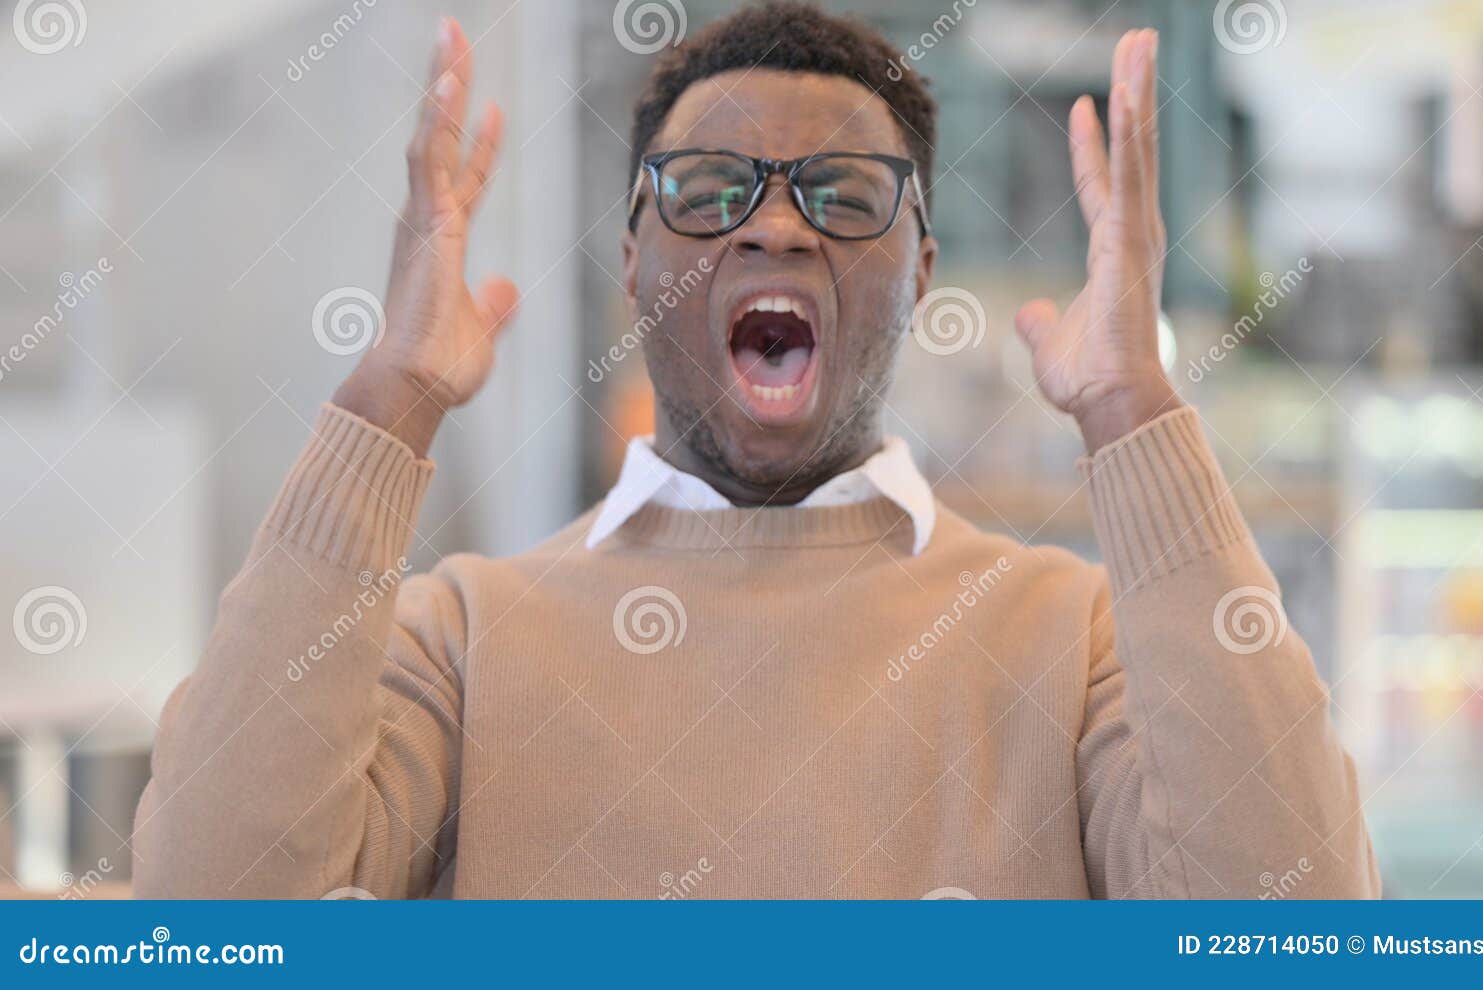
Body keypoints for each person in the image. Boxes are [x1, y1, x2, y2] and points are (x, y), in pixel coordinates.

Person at [133, 2, 1380, 899]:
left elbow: (1294, 920)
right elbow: (213, 915)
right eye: (709, 190)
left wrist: (1134, 415)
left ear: (921, 272)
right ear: (633, 264)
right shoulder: (462, 642)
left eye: (843, 196)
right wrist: (388, 402)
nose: (777, 223)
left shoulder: (1072, 635)